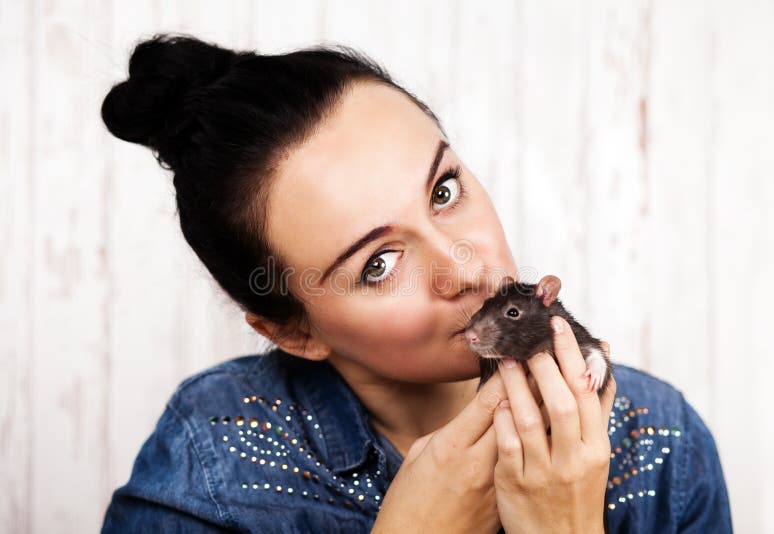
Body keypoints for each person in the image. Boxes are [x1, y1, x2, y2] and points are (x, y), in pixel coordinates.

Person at [99, 33, 733, 533]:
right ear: (293, 333)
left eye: (444, 190)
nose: (466, 268)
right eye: (377, 263)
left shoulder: (660, 442)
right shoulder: (212, 467)